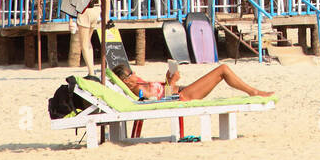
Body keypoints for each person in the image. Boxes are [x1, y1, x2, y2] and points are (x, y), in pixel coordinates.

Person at [114, 61, 272, 101]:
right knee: (222, 69)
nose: (135, 74)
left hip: (183, 91)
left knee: (221, 71)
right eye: (131, 73)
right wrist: (172, 82)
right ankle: (254, 92)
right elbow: (160, 100)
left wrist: (169, 79)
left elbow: (162, 92)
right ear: (125, 80)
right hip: (182, 96)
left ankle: (253, 91)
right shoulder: (137, 90)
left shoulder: (138, 84)